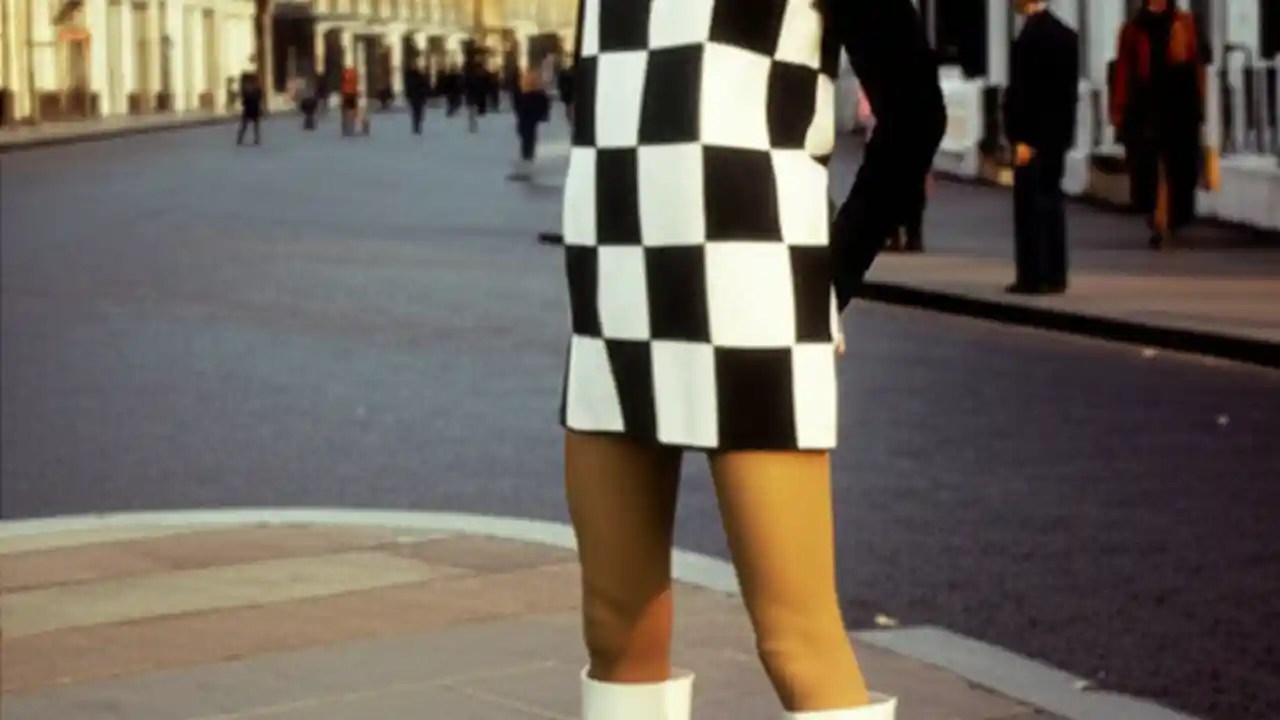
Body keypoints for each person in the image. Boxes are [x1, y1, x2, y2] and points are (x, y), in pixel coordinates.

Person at [559, 1, 944, 719]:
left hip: (751, 287)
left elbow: (916, 114)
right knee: (616, 629)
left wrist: (823, 281)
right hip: (613, 283)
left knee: (796, 641)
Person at [1111, 0, 1205, 249]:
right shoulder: (1133, 27)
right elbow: (1123, 68)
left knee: (1177, 166)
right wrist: (1119, 108)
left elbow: (1195, 61)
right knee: (1148, 165)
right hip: (1145, 104)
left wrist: (1200, 103)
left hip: (1179, 103)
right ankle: (1158, 217)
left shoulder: (1183, 22)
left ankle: (1167, 220)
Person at [1004, 0, 1080, 293]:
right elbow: (1066, 95)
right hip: (1056, 136)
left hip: (1032, 138)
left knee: (1030, 208)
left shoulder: (1031, 39)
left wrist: (1022, 138)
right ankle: (1056, 273)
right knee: (1052, 205)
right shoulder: (1065, 35)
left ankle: (1033, 275)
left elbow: (1026, 94)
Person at [508, 64, 550, 182]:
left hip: (527, 114)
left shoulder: (527, 91)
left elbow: (518, 102)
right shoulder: (537, 91)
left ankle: (527, 160)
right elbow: (544, 102)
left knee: (526, 136)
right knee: (528, 136)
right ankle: (528, 159)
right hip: (530, 115)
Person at [236, 73, 263, 146]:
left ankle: (254, 139)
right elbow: (244, 101)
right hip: (250, 109)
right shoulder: (252, 90)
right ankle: (241, 139)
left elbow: (258, 99)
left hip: (252, 109)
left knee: (253, 126)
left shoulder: (256, 90)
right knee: (248, 126)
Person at [406, 63, 429, 135]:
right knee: (417, 112)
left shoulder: (412, 77)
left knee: (416, 113)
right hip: (417, 97)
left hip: (416, 97)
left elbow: (408, 88)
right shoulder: (417, 77)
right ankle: (417, 126)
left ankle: (416, 126)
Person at [340, 66, 360, 136]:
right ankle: (351, 127)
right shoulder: (354, 74)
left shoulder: (345, 74)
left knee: (345, 111)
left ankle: (345, 128)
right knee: (352, 111)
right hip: (353, 94)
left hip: (346, 94)